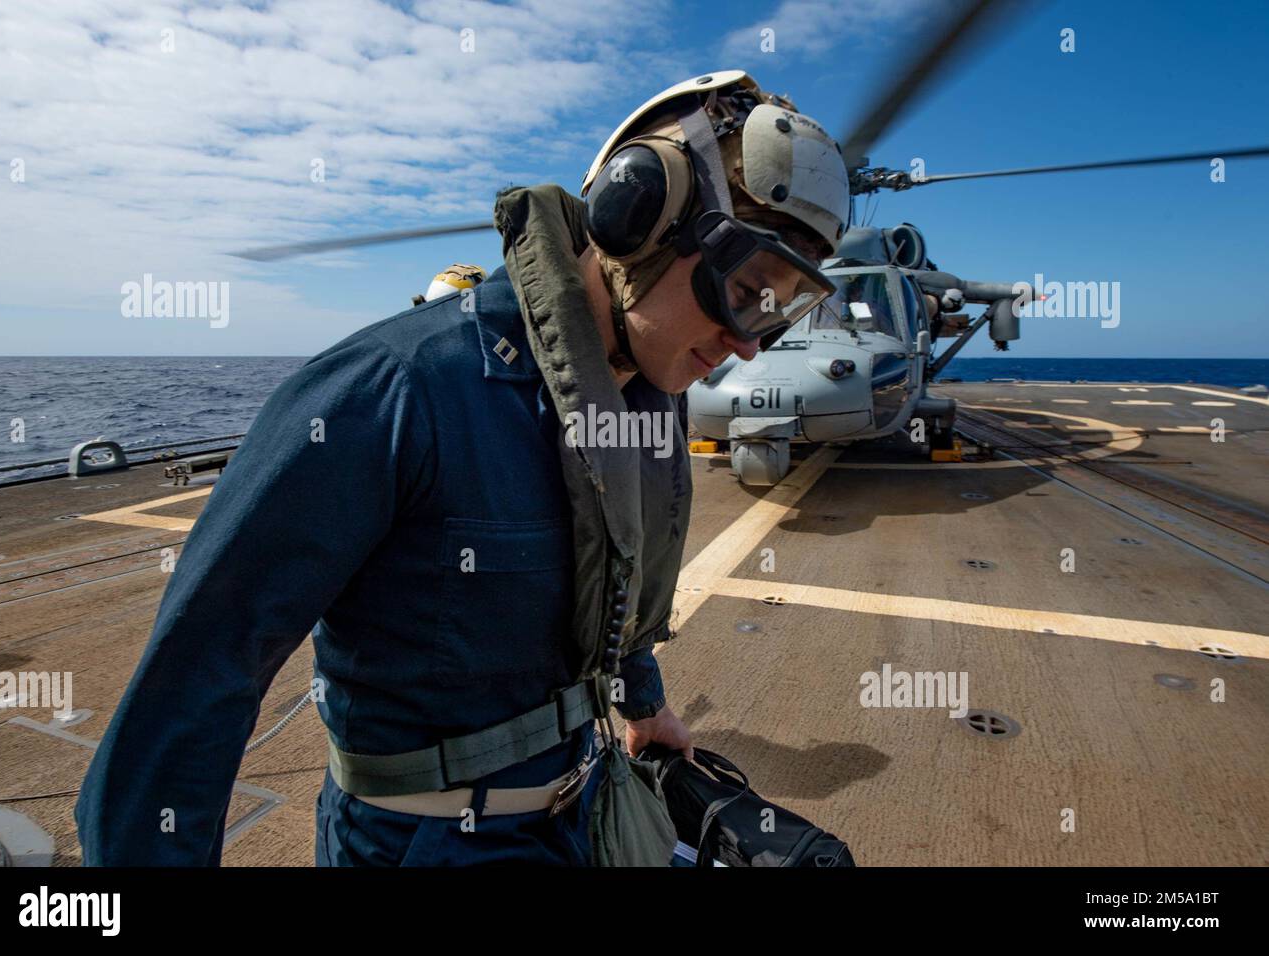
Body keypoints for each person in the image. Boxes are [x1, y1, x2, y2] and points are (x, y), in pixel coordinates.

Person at [74, 69, 849, 866]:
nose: (749, 342)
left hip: (581, 815)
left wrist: (642, 706)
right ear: (638, 216)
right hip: (423, 843)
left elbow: (607, 578)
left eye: (778, 311)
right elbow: (194, 681)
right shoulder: (396, 390)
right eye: (745, 288)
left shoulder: (641, 395)